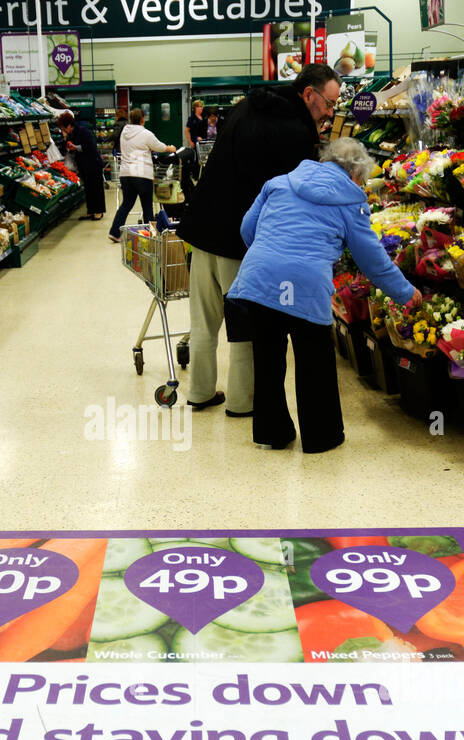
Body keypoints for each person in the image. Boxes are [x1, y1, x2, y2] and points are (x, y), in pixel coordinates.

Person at [227, 139, 422, 453]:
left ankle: (271, 433)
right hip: (305, 285)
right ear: (355, 174)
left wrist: (272, 258)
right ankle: (321, 437)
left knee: (267, 359)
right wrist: (404, 292)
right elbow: (371, 259)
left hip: (258, 279)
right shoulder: (350, 201)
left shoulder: (279, 182)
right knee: (314, 361)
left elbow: (247, 229)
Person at [177, 62, 342, 414]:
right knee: (245, 326)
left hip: (202, 227)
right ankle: (241, 402)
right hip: (239, 239)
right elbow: (294, 197)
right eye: (328, 104)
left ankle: (200, 393)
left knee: (203, 321)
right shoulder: (297, 133)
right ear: (308, 94)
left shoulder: (247, 106)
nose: (330, 113)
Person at [108, 108, 176, 243]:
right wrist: (170, 148)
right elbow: (160, 147)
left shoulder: (124, 133)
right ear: (142, 119)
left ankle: (115, 232)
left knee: (126, 204)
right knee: (147, 206)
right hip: (142, 174)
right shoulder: (146, 134)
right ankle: (151, 236)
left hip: (126, 174)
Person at [58, 112, 106, 222]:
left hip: (93, 163)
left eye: (64, 128)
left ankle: (99, 211)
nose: (64, 130)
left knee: (96, 188)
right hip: (83, 165)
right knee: (88, 189)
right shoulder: (71, 134)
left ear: (69, 125)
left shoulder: (83, 131)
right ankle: (90, 211)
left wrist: (76, 147)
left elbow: (90, 146)